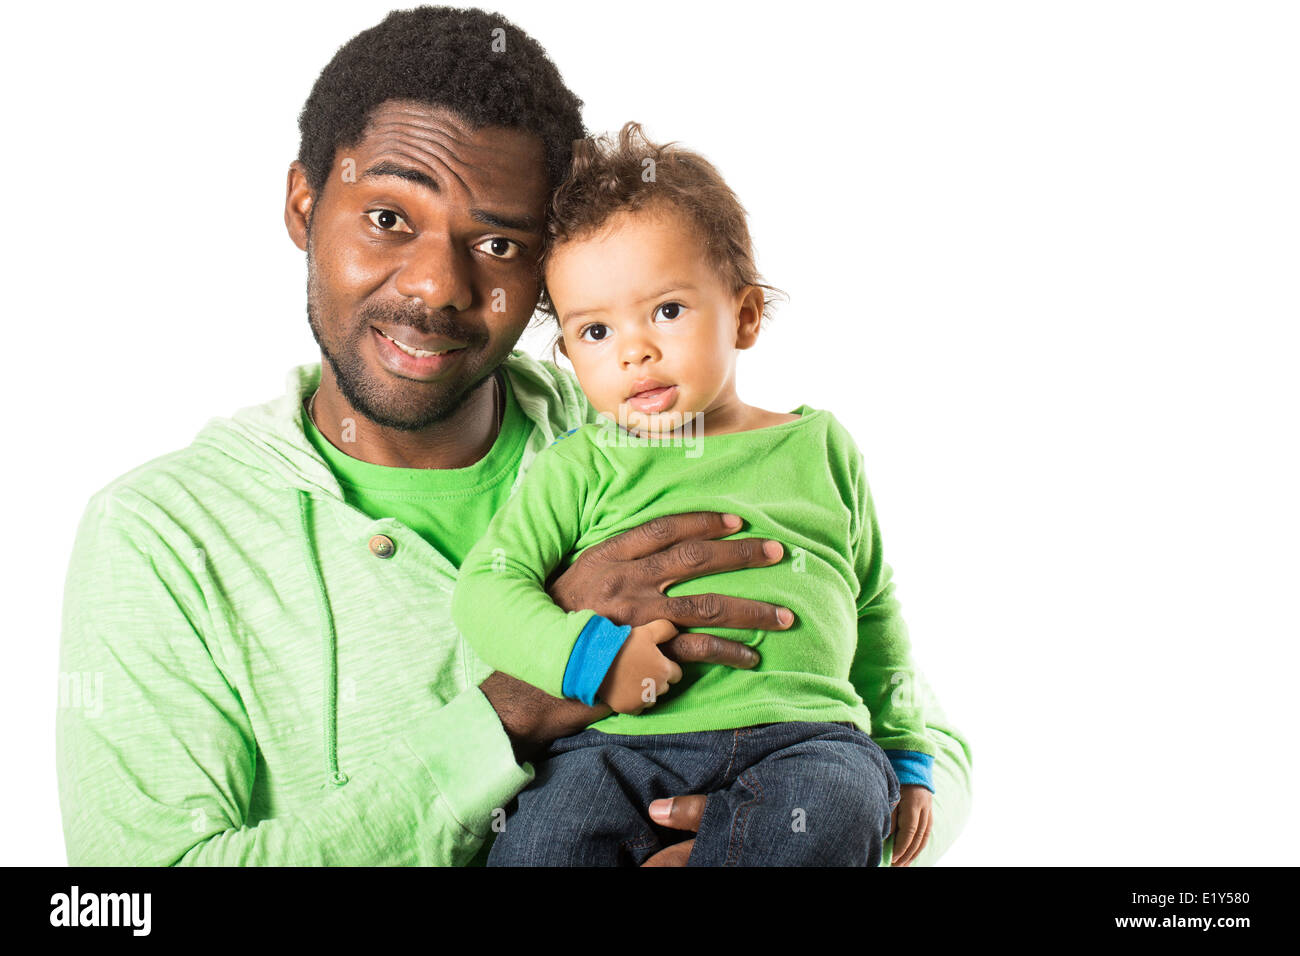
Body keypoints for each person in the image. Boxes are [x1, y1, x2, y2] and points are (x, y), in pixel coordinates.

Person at [56, 6, 972, 866]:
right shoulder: (160, 534)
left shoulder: (642, 440)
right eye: (387, 219)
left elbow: (911, 727)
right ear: (302, 204)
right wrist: (515, 707)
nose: (438, 286)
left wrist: (817, 837)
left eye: (498, 245)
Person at [453, 123, 935, 866]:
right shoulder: (579, 466)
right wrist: (593, 660)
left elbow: (874, 607)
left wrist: (905, 753)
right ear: (568, 354)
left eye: (667, 311)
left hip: (804, 739)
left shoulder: (820, 446)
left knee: (842, 806)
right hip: (615, 750)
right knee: (536, 845)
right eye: (595, 330)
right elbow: (486, 588)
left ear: (743, 315)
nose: (634, 349)